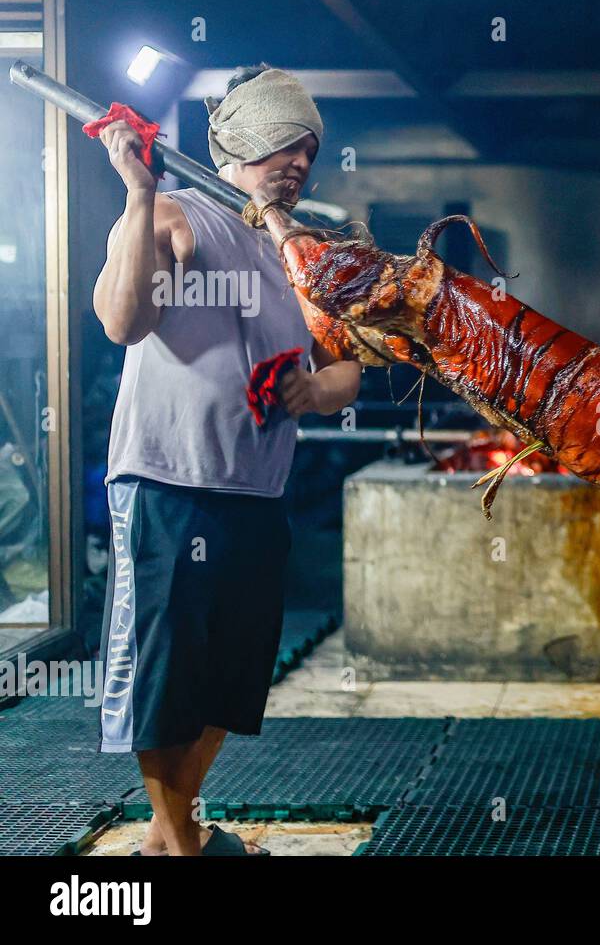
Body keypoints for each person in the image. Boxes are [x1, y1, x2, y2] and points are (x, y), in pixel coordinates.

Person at [91, 64, 361, 856]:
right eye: (285, 142)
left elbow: (349, 364)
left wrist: (317, 390)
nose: (299, 162)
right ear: (238, 139)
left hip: (257, 487)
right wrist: (137, 195)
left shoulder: (298, 247)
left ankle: (170, 835)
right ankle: (178, 844)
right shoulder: (177, 214)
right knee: (166, 681)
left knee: (236, 679)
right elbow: (122, 321)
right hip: (169, 483)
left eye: (309, 150)